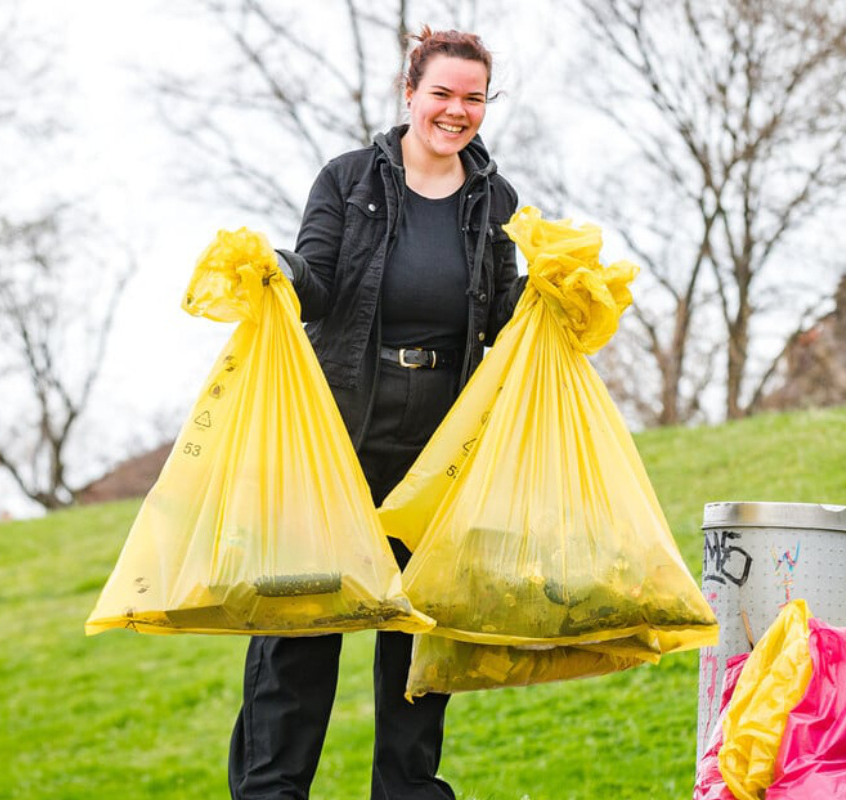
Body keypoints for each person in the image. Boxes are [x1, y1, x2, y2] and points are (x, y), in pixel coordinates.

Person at [228, 26, 525, 800]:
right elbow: (318, 280)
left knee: (416, 631)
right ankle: (271, 791)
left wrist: (558, 296)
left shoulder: (497, 200)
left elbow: (500, 313)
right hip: (340, 430)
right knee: (301, 622)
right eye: (443, 94)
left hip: (438, 444)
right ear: (410, 93)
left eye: (473, 98)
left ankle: (407, 791)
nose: (456, 111)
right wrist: (277, 272)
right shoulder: (349, 178)